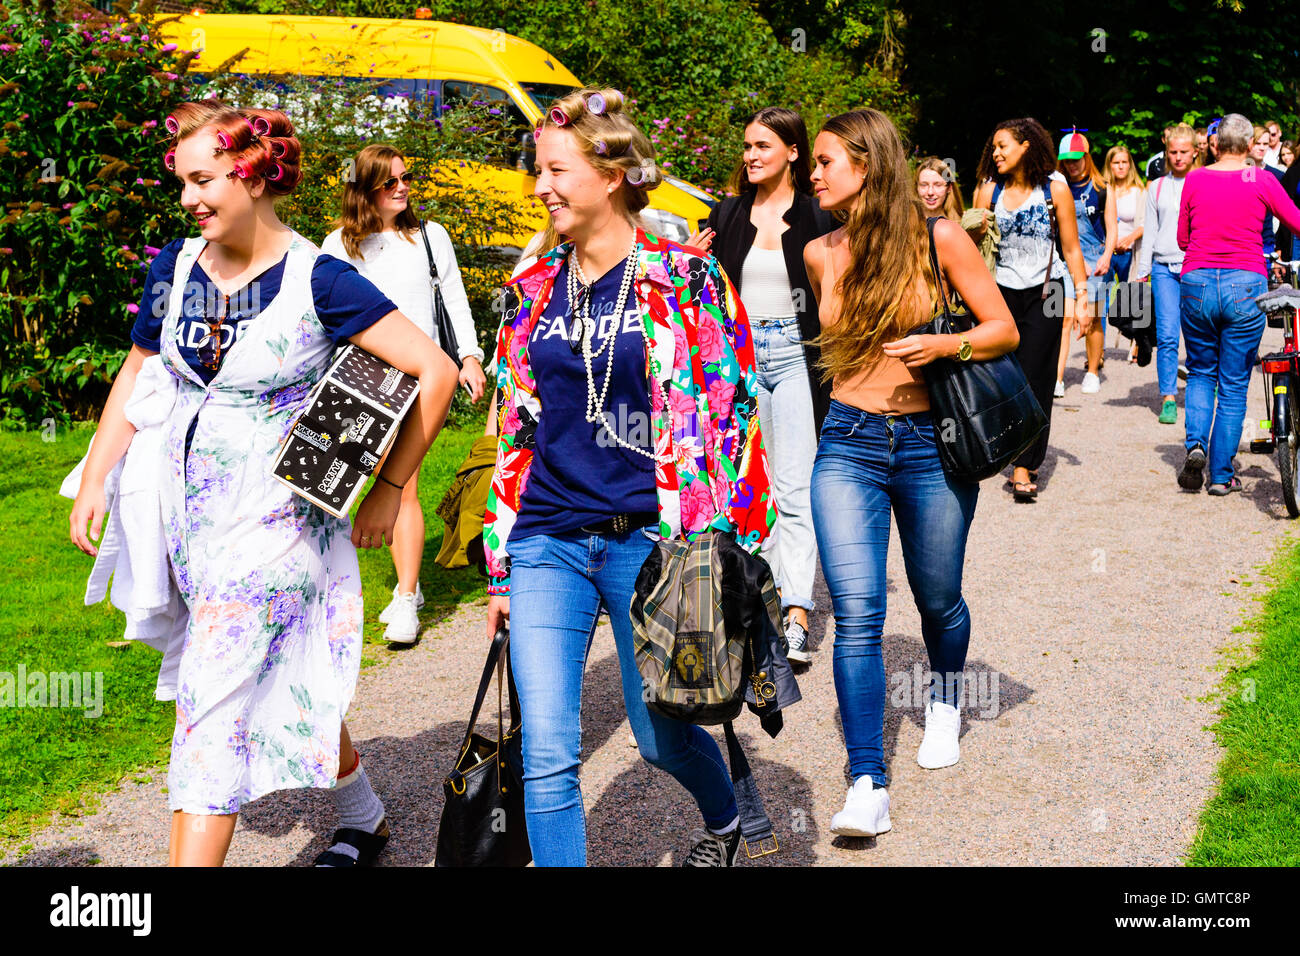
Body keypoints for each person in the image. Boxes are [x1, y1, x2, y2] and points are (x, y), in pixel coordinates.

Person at [68, 99, 459, 866]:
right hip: (192, 522)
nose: (188, 198)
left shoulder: (322, 280)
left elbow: (434, 370)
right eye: (182, 181)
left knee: (210, 711)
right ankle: (365, 815)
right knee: (269, 672)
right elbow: (142, 367)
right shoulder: (174, 267)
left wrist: (388, 486)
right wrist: (95, 472)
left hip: (281, 526)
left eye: (205, 179)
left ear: (255, 177)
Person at [481, 88, 776, 867]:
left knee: (659, 738)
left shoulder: (686, 278)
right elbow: (516, 425)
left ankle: (724, 821)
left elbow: (734, 407)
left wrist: (726, 549)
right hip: (547, 538)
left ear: (611, 174)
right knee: (547, 750)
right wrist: (498, 563)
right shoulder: (534, 284)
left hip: (652, 541)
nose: (540, 187)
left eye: (555, 170)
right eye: (536, 172)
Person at [803, 108, 1019, 836]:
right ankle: (867, 779)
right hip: (848, 442)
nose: (815, 172)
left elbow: (1003, 329)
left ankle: (947, 699)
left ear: (867, 165)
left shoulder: (941, 237)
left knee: (938, 600)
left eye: (827, 160)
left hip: (932, 443)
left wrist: (946, 347)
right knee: (857, 613)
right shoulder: (820, 251)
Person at [685, 107, 835, 665]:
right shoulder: (725, 215)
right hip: (739, 363)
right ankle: (757, 608)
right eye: (747, 146)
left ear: (793, 152)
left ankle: (795, 614)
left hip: (798, 356)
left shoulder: (819, 216)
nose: (750, 155)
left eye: (763, 146)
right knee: (749, 491)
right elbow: (700, 297)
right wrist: (694, 266)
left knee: (794, 487)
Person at [321, 144, 486, 644]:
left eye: (405, 178)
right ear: (364, 189)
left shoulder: (430, 237)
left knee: (403, 482)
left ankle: (406, 595)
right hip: (361, 379)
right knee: (343, 485)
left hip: (424, 376)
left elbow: (452, 297)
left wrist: (471, 357)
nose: (402, 187)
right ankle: (362, 591)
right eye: (389, 182)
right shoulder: (337, 246)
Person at [1175, 113, 1300, 495]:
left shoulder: (1195, 179)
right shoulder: (1261, 178)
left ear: (1215, 145)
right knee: (1233, 383)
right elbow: (1295, 221)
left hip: (1196, 281)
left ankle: (1196, 443)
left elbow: (1183, 239)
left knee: (1199, 372)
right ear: (1249, 146)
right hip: (1244, 284)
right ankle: (1221, 475)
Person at [971, 118, 1091, 501]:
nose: (996, 153)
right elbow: (973, 252)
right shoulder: (988, 191)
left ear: (1025, 145)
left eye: (1003, 146)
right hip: (999, 292)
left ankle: (1025, 465)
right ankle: (1001, 442)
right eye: (993, 148)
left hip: (1048, 290)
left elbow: (1072, 249)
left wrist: (1084, 298)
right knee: (1001, 375)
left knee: (1037, 378)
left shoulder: (1055, 189)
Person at [1133, 124, 1197, 425]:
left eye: (1184, 152)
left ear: (1195, 152)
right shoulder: (1156, 186)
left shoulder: (1204, 183)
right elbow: (1151, 230)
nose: (1178, 157)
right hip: (1163, 267)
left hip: (1196, 266)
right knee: (1168, 334)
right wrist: (1142, 272)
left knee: (1199, 334)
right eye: (1173, 152)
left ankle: (1200, 389)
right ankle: (1169, 397)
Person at [1056, 131, 1115, 396]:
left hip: (1096, 259)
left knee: (1091, 319)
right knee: (1063, 319)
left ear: (1087, 158)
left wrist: (1106, 257)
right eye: (1067, 160)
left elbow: (1112, 228)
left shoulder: (1103, 189)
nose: (1072, 165)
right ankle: (1056, 377)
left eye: (1077, 159)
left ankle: (1092, 371)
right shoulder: (1057, 187)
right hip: (1065, 259)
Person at [1102, 146, 1145, 361]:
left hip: (1129, 250)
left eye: (1124, 162)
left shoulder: (1138, 190)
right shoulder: (1102, 189)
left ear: (1130, 165)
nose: (1120, 166)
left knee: (1131, 298)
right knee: (1101, 298)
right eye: (1116, 162)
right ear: (1109, 165)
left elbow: (1145, 224)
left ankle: (1135, 344)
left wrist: (1128, 240)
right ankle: (1098, 349)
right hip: (1107, 251)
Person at [915, 156, 966, 221]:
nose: (930, 192)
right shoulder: (906, 222)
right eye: (924, 185)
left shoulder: (961, 223)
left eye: (938, 185)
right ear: (917, 187)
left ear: (949, 188)